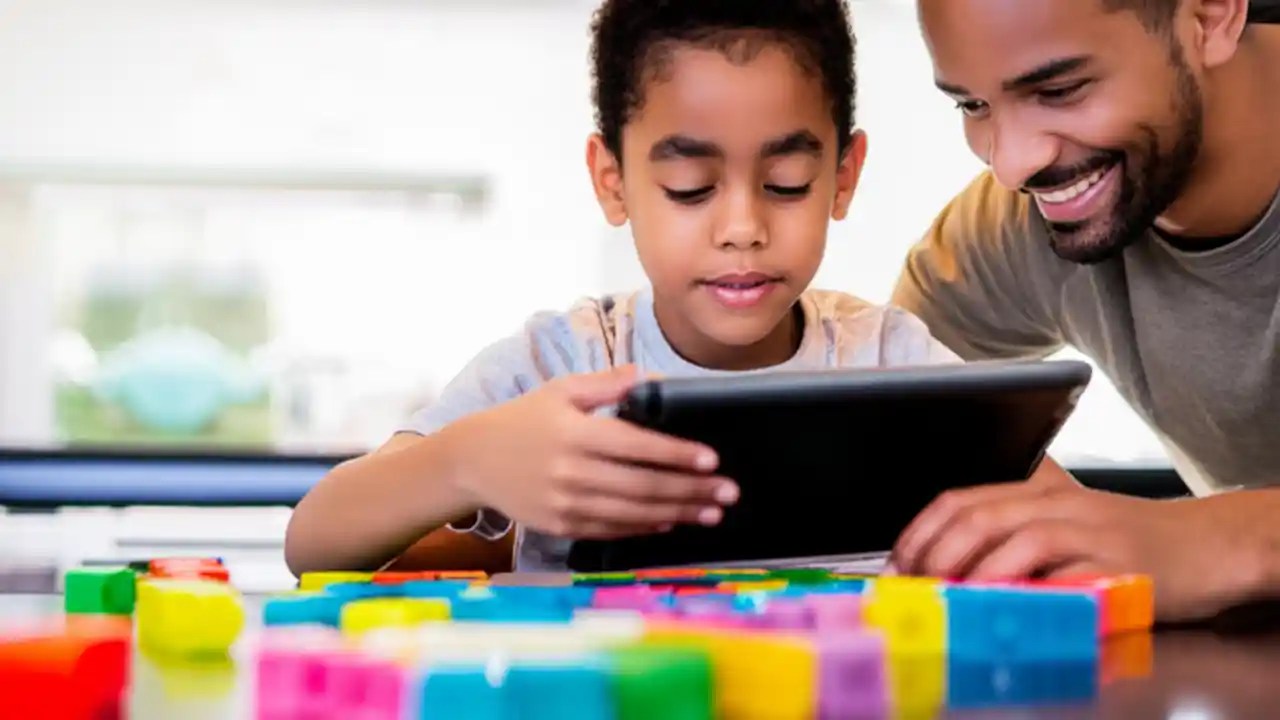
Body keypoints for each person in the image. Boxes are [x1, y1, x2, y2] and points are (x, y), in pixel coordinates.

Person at [284, 0, 1044, 577]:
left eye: (787, 184)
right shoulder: (560, 366)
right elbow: (312, 539)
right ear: (612, 183)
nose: (742, 227)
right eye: (689, 187)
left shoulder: (889, 358)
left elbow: (1060, 524)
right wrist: (468, 462)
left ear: (842, 177)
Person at [888, 0, 1280, 622]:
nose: (1011, 165)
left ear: (1209, 17)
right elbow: (882, 420)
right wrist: (1040, 527)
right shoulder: (1012, 228)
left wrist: (1217, 538)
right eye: (973, 105)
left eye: (1060, 89)